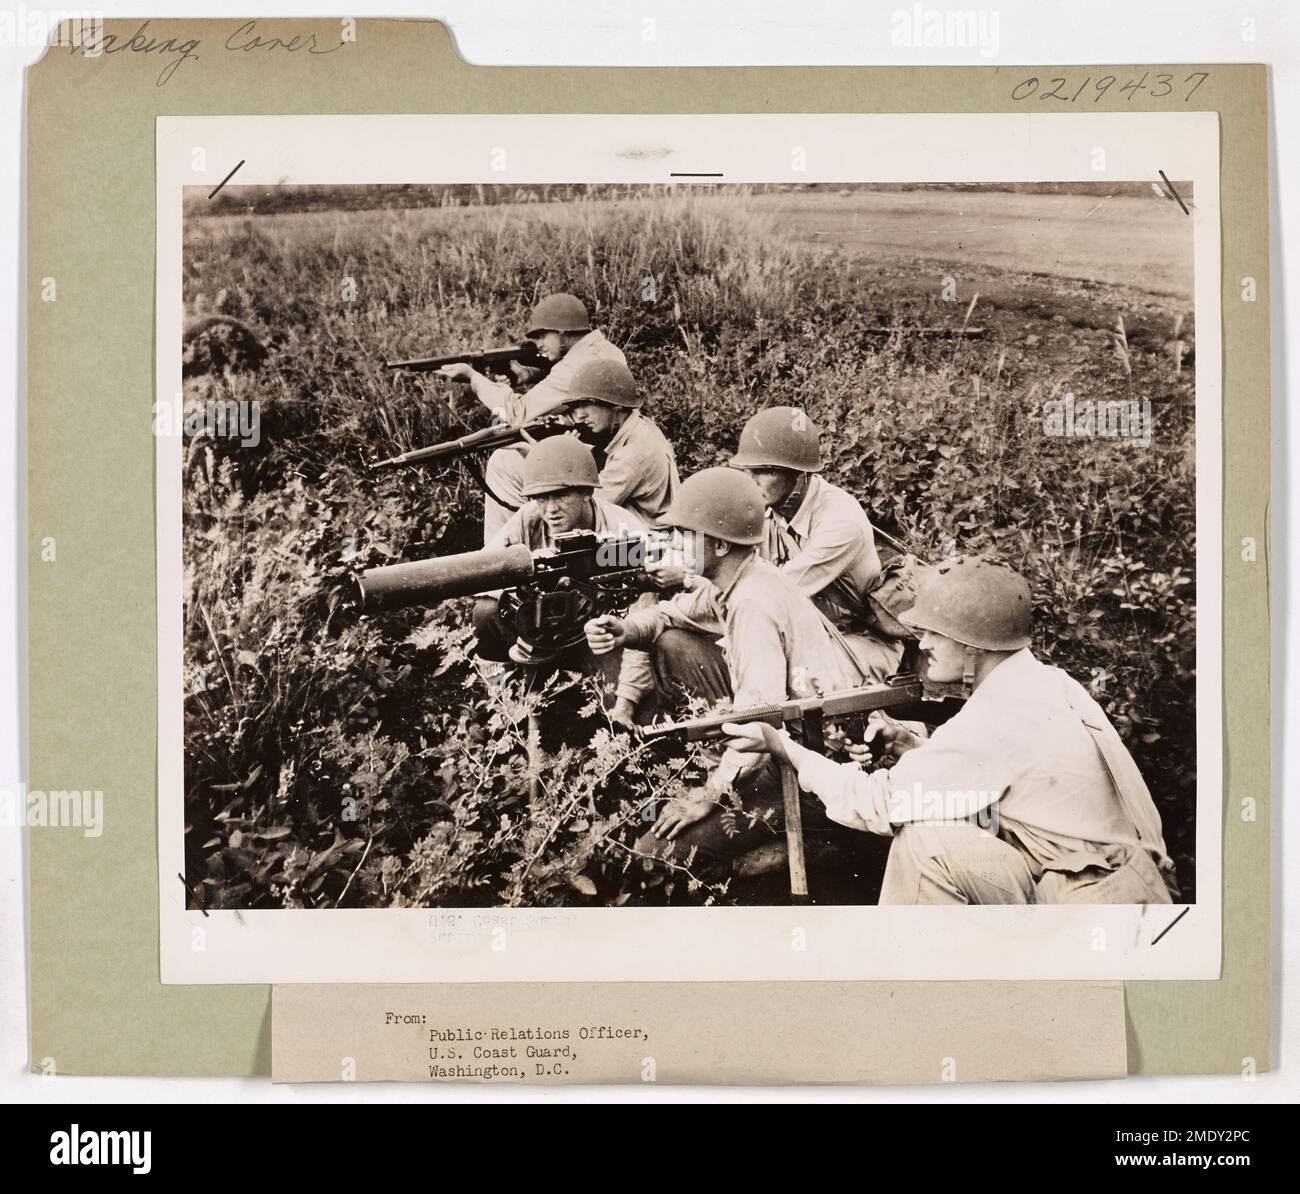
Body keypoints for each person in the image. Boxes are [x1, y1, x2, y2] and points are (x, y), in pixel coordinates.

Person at [720, 556, 1177, 905]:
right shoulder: (1047, 682)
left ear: (974, 645)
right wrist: (913, 746)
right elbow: (1005, 790)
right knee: (941, 818)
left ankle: (912, 982)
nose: (924, 642)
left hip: (1094, 902)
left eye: (937, 633)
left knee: (923, 842)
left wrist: (783, 747)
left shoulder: (996, 713)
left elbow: (876, 807)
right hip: (1132, 881)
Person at [584, 468, 859, 881]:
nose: (675, 544)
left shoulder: (752, 603)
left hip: (811, 766)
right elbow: (667, 615)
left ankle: (813, 846)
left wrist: (711, 794)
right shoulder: (739, 578)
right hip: (795, 743)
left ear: (718, 544)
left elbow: (759, 719)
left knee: (651, 853)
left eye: (686, 535)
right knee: (673, 641)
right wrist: (626, 630)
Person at [607, 405, 901, 726]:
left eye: (765, 471)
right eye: (749, 471)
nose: (754, 481)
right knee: (673, 642)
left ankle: (761, 751)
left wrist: (688, 576)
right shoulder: (772, 510)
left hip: (853, 649)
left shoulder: (839, 522)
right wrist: (640, 624)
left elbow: (770, 591)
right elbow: (738, 577)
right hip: (794, 636)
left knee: (752, 641)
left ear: (800, 474)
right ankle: (721, 744)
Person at [437, 293, 629, 536]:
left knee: (503, 462)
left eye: (541, 335)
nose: (537, 343)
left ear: (561, 331)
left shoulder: (575, 364)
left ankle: (503, 555)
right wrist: (528, 374)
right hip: (606, 452)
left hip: (601, 463)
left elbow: (518, 413)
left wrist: (473, 378)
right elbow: (567, 377)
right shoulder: (604, 349)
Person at [472, 435, 647, 670]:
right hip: (543, 627)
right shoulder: (530, 517)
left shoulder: (623, 531)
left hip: (597, 631)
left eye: (562, 495)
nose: (551, 509)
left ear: (587, 492)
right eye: (542, 498)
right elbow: (484, 569)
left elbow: (641, 609)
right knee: (484, 613)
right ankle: (504, 688)